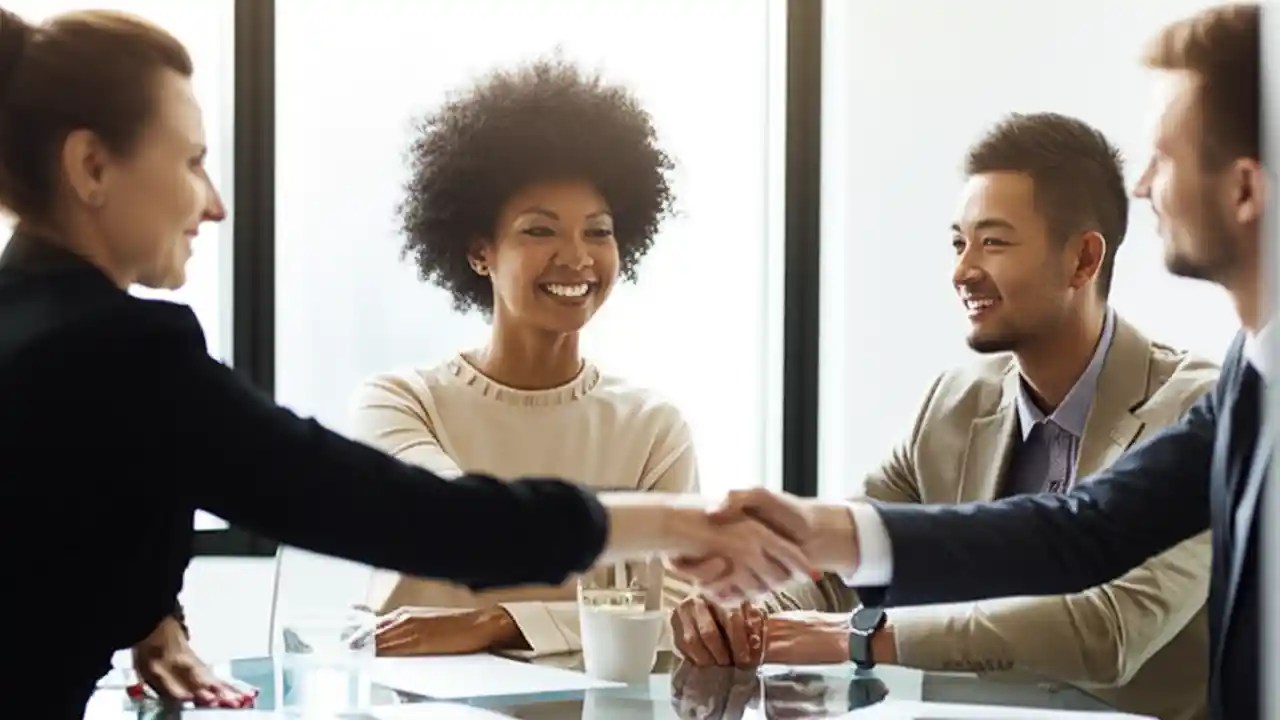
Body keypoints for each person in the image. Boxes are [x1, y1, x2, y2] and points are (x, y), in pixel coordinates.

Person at [0, 9, 815, 716]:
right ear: (91, 167)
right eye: (191, 161)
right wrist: (678, 521)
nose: (214, 202)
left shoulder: (51, 339)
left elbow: (85, 498)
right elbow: (413, 514)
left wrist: (152, 618)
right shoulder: (124, 352)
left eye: (597, 229)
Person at [707, 5, 1266, 719]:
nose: (1142, 183)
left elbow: (1107, 626)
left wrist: (858, 637)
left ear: (1083, 258)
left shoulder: (1198, 397)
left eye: (994, 242)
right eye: (957, 243)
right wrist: (755, 599)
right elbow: (1075, 532)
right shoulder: (1245, 385)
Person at [348, 58, 701, 658]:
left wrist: (495, 622)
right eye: (540, 232)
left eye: (598, 232)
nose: (577, 257)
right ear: (480, 251)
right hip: (412, 694)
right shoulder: (402, 401)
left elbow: (674, 610)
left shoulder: (651, 426)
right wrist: (579, 600)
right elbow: (455, 525)